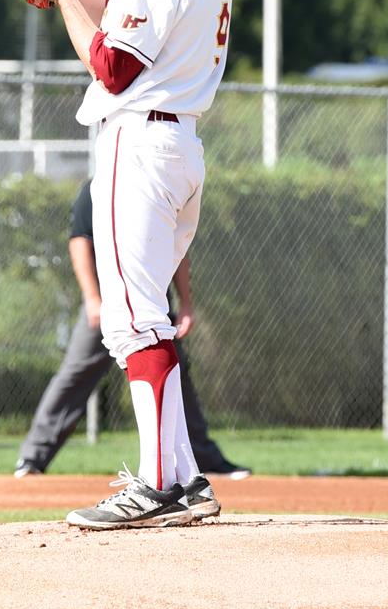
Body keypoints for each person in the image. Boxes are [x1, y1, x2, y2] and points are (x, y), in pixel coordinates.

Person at [4, 0, 233, 528]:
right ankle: (185, 478)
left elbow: (112, 67)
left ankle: (160, 482)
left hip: (136, 144)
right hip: (182, 144)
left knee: (132, 321)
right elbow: (133, 30)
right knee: (147, 318)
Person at [15, 178, 251, 480]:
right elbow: (80, 241)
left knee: (174, 377)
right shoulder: (101, 183)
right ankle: (32, 458)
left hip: (153, 301)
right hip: (110, 299)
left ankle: (203, 457)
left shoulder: (157, 185)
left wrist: (186, 304)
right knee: (75, 374)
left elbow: (176, 249)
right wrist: (91, 298)